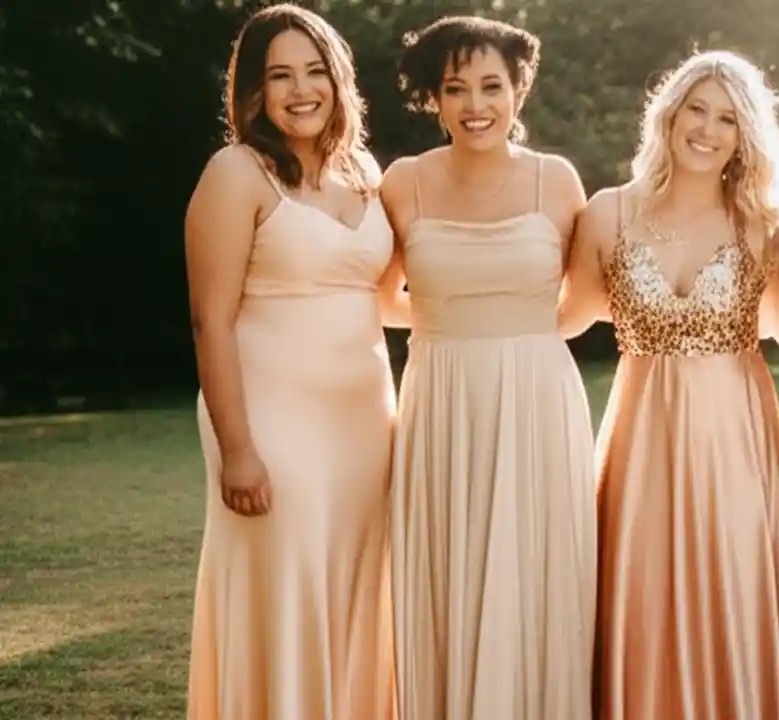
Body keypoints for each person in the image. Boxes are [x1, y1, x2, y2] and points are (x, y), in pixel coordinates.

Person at [559, 50, 779, 720]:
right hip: (643, 438)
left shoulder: (763, 226)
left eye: (727, 118)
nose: (707, 128)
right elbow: (566, 320)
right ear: (669, 114)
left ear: (743, 137)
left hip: (736, 439)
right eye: (697, 108)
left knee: (737, 583)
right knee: (644, 589)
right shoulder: (607, 214)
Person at [184, 5, 399, 718]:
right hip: (271, 422)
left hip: (365, 428)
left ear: (339, 82)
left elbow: (386, 296)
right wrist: (239, 449)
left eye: (314, 72)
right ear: (253, 90)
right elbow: (210, 319)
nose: (300, 89)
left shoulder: (364, 174)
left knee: (357, 589)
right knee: (288, 585)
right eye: (280, 75)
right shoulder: (236, 172)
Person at [379, 15, 596, 719]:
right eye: (457, 88)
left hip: (537, 398)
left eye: (492, 86)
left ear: (519, 91)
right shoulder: (403, 183)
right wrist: (454, 330)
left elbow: (584, 302)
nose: (477, 105)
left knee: (534, 574)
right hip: (441, 396)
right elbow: (384, 299)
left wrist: (517, 338)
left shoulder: (556, 181)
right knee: (452, 571)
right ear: (434, 100)